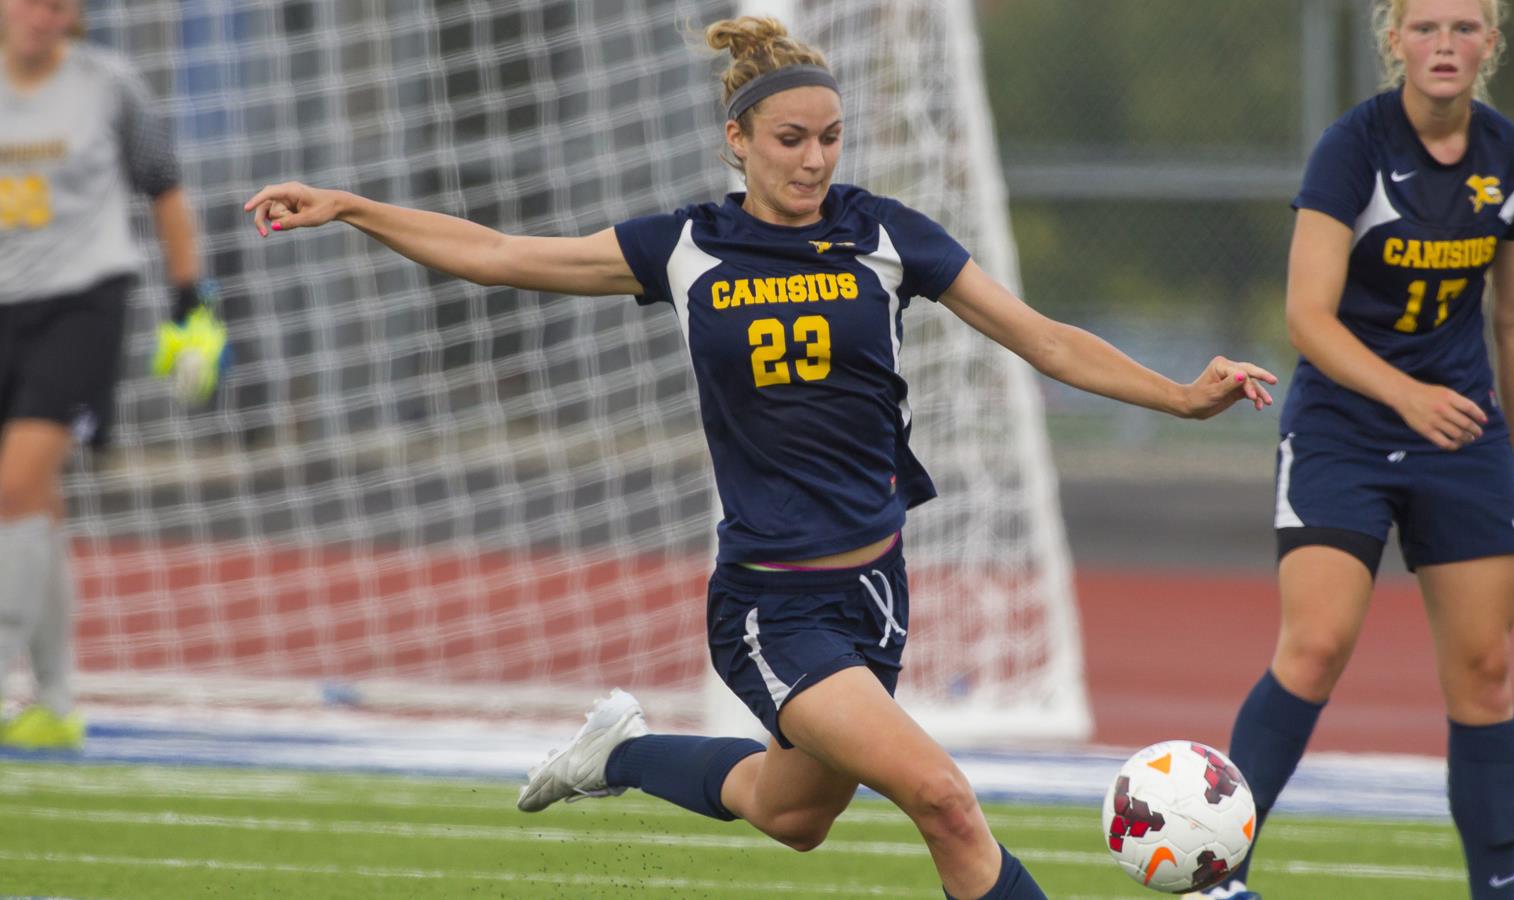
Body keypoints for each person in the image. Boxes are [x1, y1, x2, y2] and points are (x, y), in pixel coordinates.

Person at [245, 16, 1275, 898]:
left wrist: (1179, 396)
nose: (814, 159)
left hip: (873, 589)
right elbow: (505, 256)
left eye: (830, 137)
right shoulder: (687, 247)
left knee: (791, 815)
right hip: (771, 602)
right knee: (945, 803)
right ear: (738, 139)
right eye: (790, 139)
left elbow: (1042, 336)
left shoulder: (884, 237)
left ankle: (622, 753)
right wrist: (355, 208)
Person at [1194, 2, 1514, 899]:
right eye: (1426, 27)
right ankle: (1218, 873)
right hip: (1343, 427)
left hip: (1461, 432)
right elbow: (1305, 317)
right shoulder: (1352, 148)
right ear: (1393, 39)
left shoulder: (1513, 161)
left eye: (1465, 27)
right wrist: (1404, 396)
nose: (1446, 45)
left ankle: (1496, 889)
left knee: (1484, 671)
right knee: (1315, 645)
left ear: (1490, 43)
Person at [0, 0, 228, 750]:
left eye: (60, 4)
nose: (43, 14)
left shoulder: (111, 85)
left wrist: (190, 302)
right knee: (36, 501)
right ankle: (58, 702)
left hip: (84, 301)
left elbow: (164, 188)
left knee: (14, 485)